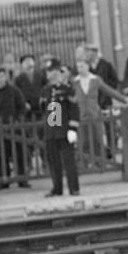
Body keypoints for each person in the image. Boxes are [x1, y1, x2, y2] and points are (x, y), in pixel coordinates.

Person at [71, 56, 128, 164]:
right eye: (78, 67)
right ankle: (84, 164)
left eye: (82, 66)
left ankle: (100, 162)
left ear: (88, 66)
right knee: (83, 140)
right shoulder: (75, 82)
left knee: (98, 139)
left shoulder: (95, 80)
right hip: (81, 114)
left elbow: (109, 91)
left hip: (94, 113)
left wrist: (124, 100)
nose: (80, 69)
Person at [0, 66, 30, 189]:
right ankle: (4, 180)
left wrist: (18, 120)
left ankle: (22, 179)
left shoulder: (15, 91)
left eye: (2, 76)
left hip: (14, 128)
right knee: (0, 156)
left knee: (19, 155)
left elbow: (22, 107)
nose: (0, 79)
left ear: (6, 77)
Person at [40, 59, 81, 197]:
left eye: (51, 71)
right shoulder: (45, 90)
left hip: (64, 130)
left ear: (57, 71)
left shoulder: (67, 89)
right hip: (51, 131)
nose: (48, 73)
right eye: (47, 71)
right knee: (53, 161)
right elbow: (43, 109)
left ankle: (74, 188)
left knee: (69, 160)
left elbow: (74, 109)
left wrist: (73, 129)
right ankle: (57, 188)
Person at [13, 53, 46, 119]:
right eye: (26, 62)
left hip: (40, 104)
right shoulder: (19, 79)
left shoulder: (41, 75)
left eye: (30, 61)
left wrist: (43, 98)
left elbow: (45, 87)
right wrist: (24, 103)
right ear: (22, 65)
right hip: (27, 106)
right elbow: (17, 93)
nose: (29, 64)